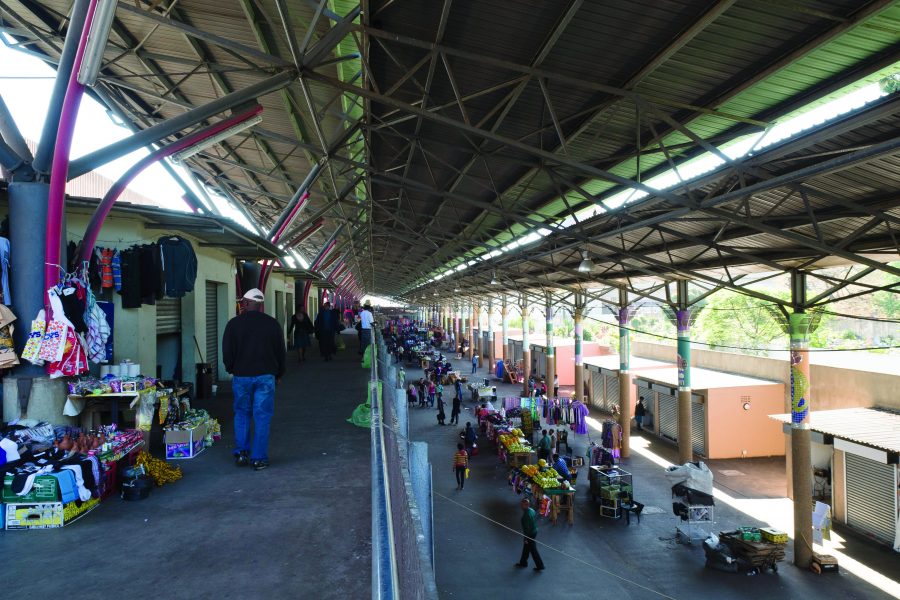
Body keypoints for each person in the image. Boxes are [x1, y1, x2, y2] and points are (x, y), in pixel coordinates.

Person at [222, 288, 286, 471]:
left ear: (248, 303)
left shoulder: (233, 324)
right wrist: (279, 374)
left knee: (242, 413)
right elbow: (280, 352)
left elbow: (227, 352)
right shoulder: (272, 324)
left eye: (243, 301)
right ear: (260, 304)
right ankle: (258, 459)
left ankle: (241, 453)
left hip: (242, 376)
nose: (242, 304)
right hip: (266, 377)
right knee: (262, 416)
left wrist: (231, 368)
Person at [516, 499, 545, 571]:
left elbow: (527, 529)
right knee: (526, 548)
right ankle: (523, 562)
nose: (520, 506)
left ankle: (540, 565)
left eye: (522, 504)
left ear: (526, 505)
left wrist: (525, 538)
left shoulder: (525, 516)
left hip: (530, 534)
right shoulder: (531, 510)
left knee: (533, 550)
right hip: (534, 530)